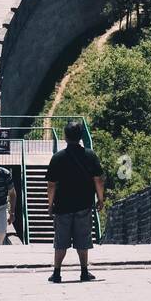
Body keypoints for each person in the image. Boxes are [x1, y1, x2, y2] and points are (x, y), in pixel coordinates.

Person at [46, 119, 105, 283]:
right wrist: (100, 199)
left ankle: (57, 273)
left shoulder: (57, 158)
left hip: (62, 206)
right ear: (80, 137)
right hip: (84, 205)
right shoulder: (90, 155)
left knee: (60, 242)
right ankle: (84, 272)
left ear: (65, 137)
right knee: (83, 240)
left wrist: (50, 205)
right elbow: (98, 179)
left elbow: (51, 185)